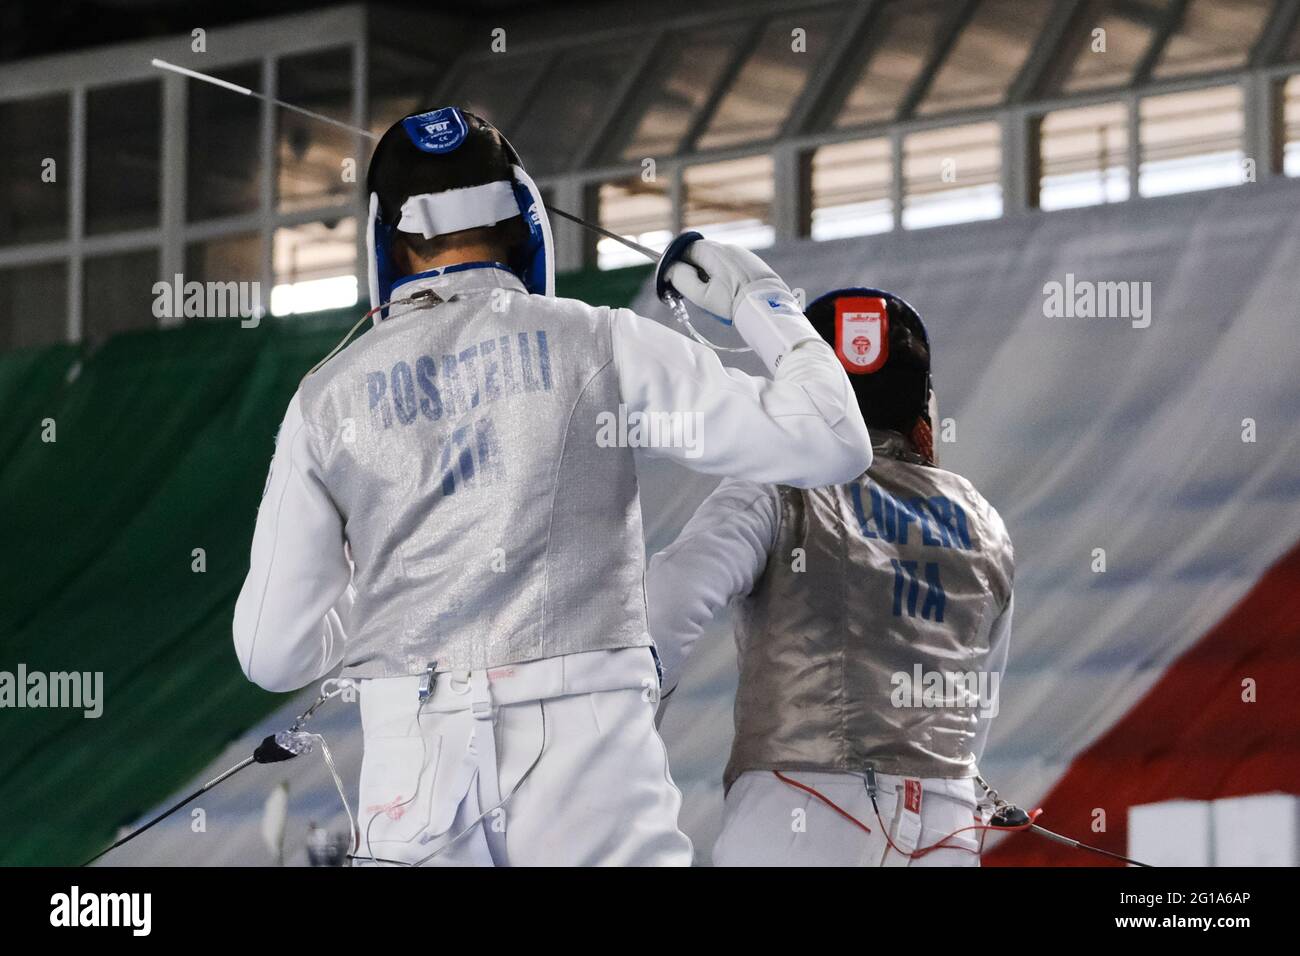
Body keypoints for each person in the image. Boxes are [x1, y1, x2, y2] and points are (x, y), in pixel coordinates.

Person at [231, 108, 872, 866]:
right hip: (590, 756)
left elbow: (273, 654)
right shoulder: (597, 340)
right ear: (523, 220)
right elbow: (830, 442)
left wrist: (384, 599)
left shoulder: (327, 399)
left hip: (413, 765)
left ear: (389, 238)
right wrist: (762, 303)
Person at [646, 288, 1014, 866]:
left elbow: (669, 598)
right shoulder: (981, 520)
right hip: (945, 823)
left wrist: (627, 730)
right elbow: (978, 700)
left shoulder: (780, 484)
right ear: (922, 410)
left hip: (802, 811)